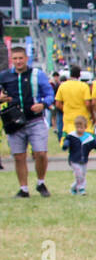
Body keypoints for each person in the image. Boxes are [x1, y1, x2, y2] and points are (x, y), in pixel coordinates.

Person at [1, 45, 55, 197]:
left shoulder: (37, 74)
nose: (18, 61)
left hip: (35, 120)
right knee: (19, 156)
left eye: (21, 58)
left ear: (26, 59)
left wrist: (43, 104)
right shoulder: (4, 76)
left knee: (41, 153)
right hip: (14, 122)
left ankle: (40, 182)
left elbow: (50, 93)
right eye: (15, 59)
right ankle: (23, 189)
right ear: (12, 60)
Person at [62, 115, 96, 194]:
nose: (79, 129)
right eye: (77, 127)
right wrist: (65, 145)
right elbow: (67, 141)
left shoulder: (88, 138)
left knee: (82, 175)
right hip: (74, 159)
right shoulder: (72, 136)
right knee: (79, 174)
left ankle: (74, 187)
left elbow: (95, 144)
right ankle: (81, 188)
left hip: (84, 160)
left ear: (85, 127)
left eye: (81, 127)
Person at [55, 64, 92, 154]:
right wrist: (91, 112)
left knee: (69, 132)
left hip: (68, 116)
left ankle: (68, 145)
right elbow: (87, 103)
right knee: (83, 134)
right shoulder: (83, 86)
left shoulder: (63, 86)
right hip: (82, 115)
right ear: (79, 75)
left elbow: (58, 103)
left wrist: (65, 109)